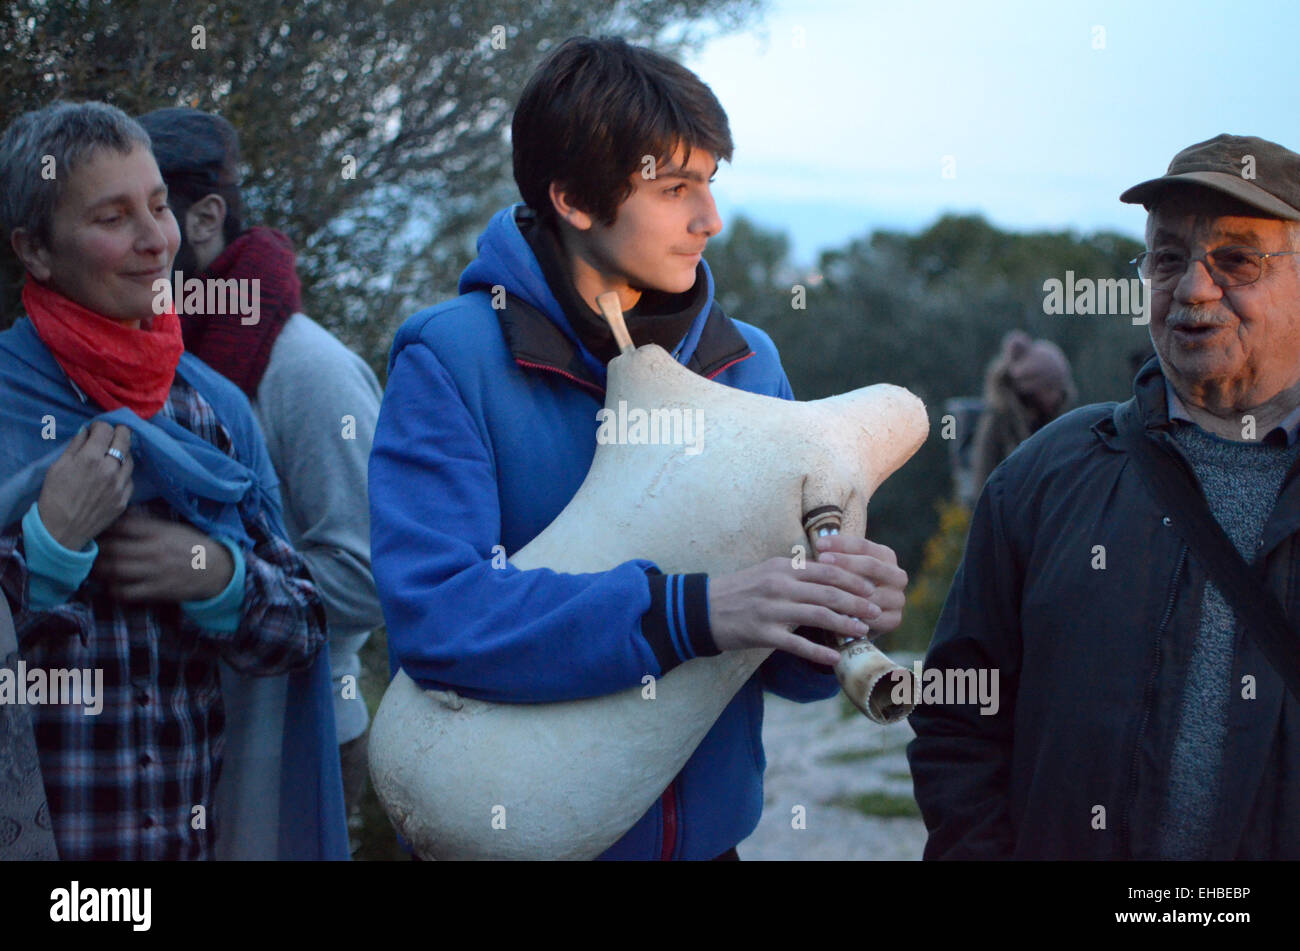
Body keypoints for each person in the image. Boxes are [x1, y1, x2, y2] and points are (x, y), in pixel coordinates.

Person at [369, 35, 909, 860]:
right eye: (675, 188)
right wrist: (687, 613)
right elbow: (437, 616)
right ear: (574, 200)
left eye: (711, 184)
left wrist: (840, 610)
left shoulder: (748, 363)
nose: (711, 219)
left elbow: (784, 671)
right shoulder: (451, 360)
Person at [908, 133, 1300, 859]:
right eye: (1168, 258)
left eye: (1237, 258)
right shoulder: (1043, 476)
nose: (1192, 288)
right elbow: (957, 718)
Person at [0, 101, 347, 860]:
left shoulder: (210, 407)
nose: (157, 240)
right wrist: (47, 553)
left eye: (159, 206)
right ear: (35, 249)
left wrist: (218, 574)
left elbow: (303, 631)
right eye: (113, 216)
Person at [135, 107, 384, 838]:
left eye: (154, 210)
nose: (139, 240)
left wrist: (210, 574)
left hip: (298, 740)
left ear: (205, 216)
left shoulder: (310, 372)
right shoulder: (155, 356)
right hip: (184, 741)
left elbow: (371, 576)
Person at [969, 330, 1075, 495]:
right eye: (1049, 388)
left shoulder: (1060, 420)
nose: (1056, 396)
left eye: (1059, 388)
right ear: (1029, 388)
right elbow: (983, 480)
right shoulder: (997, 422)